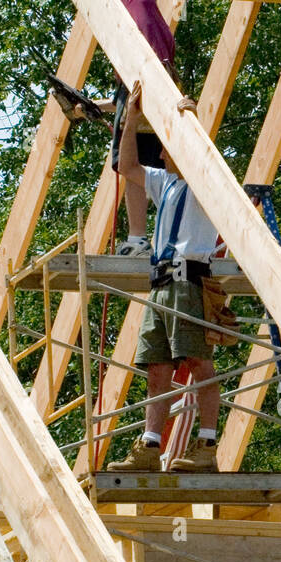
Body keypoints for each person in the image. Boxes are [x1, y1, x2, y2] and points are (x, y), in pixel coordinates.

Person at [109, 82, 221, 473]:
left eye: (167, 146)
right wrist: (130, 120)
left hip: (188, 279)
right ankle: (150, 447)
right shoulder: (166, 182)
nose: (160, 152)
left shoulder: (205, 182)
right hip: (160, 282)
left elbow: (204, 156)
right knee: (157, 369)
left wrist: (191, 124)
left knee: (197, 360)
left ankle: (207, 446)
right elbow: (127, 167)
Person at [87, 0, 190, 254]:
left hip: (144, 96)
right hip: (154, 97)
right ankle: (149, 238)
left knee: (136, 166)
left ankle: (136, 239)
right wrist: (97, 108)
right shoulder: (159, 27)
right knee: (151, 167)